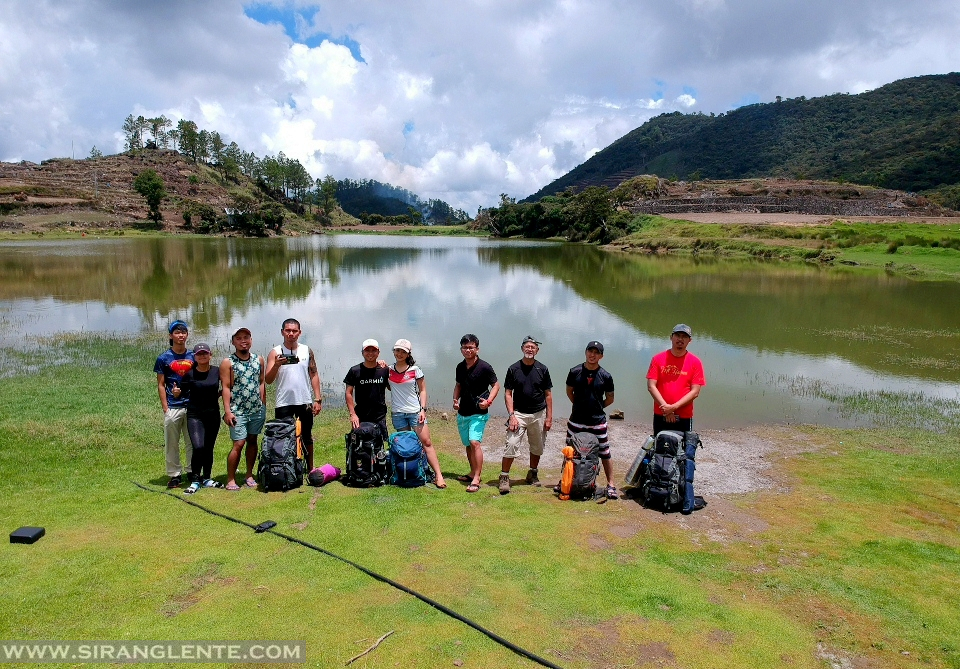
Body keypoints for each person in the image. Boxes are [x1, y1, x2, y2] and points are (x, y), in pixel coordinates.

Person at [646, 323, 706, 514]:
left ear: (690, 340)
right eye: (677, 336)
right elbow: (651, 385)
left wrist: (673, 408)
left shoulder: (695, 362)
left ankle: (679, 492)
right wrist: (666, 408)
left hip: (684, 416)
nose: (680, 340)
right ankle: (657, 487)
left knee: (683, 457)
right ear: (671, 337)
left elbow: (695, 391)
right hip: (661, 414)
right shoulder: (658, 359)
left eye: (684, 337)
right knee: (659, 452)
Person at [498, 336, 553, 494]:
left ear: (537, 350)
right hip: (518, 414)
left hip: (538, 413)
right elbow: (508, 393)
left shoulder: (542, 369)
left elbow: (548, 394)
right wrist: (511, 415)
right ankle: (504, 477)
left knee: (537, 446)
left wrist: (549, 417)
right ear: (522, 348)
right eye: (527, 347)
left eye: (533, 347)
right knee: (511, 444)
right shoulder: (513, 369)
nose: (530, 349)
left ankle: (532, 473)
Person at [265, 318, 322, 471]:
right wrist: (276, 365)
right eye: (288, 330)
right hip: (284, 402)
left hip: (304, 400)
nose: (291, 334)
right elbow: (268, 380)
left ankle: (310, 468)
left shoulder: (306, 350)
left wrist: (318, 398)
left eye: (294, 331)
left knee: (307, 435)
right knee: (283, 436)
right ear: (282, 331)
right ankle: (285, 467)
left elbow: (314, 374)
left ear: (299, 332)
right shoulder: (275, 352)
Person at [388, 339, 446, 489]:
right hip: (398, 414)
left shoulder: (415, 370)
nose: (399, 354)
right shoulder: (388, 370)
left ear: (408, 354)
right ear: (393, 351)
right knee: (406, 446)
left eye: (403, 351)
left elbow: (423, 390)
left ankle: (438, 475)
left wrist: (423, 409)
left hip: (415, 412)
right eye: (397, 351)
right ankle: (409, 473)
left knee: (426, 443)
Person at [564, 340, 618, 499]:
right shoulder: (574, 372)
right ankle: (565, 481)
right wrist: (580, 405)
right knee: (569, 451)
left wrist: (597, 406)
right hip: (576, 419)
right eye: (590, 351)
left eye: (596, 352)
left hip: (597, 420)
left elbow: (610, 398)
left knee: (605, 452)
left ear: (601, 356)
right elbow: (569, 392)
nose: (592, 355)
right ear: (585, 352)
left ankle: (611, 484)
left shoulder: (606, 376)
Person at [453, 334, 500, 493]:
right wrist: (455, 400)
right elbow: (458, 385)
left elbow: (496, 385)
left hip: (479, 411)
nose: (468, 350)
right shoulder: (460, 366)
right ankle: (472, 471)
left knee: (475, 442)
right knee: (468, 445)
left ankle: (477, 478)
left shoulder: (485, 367)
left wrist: (489, 401)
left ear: (477, 349)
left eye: (471, 347)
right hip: (463, 411)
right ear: (461, 349)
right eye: (465, 347)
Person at [175, 342, 224, 494]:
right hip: (195, 415)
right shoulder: (189, 374)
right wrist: (176, 392)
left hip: (213, 414)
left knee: (209, 448)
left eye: (205, 353)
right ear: (195, 357)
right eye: (199, 354)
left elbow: (228, 386)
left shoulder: (217, 371)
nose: (202, 356)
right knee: (199, 447)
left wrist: (223, 394)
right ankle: (195, 480)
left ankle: (207, 478)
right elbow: (181, 392)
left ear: (211, 355)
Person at [221, 327, 266, 491]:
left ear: (251, 339)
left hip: (256, 409)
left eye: (246, 337)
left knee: (253, 441)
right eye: (239, 338)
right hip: (237, 410)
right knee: (238, 444)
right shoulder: (228, 362)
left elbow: (261, 382)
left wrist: (263, 405)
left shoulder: (258, 359)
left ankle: (249, 474)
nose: (243, 341)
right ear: (233, 342)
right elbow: (225, 387)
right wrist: (227, 411)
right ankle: (231, 479)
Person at [154, 320, 195, 488]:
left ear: (187, 335)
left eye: (183, 332)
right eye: (177, 332)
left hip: (192, 406)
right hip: (173, 406)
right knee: (172, 442)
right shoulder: (163, 358)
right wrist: (165, 407)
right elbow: (161, 384)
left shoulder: (194, 356)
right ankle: (175, 474)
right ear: (171, 336)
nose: (181, 335)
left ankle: (193, 471)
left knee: (192, 441)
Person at [344, 338, 390, 440]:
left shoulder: (384, 370)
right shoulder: (355, 371)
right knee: (359, 446)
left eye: (374, 350)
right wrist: (353, 414)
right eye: (367, 350)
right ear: (362, 352)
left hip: (379, 415)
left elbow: (392, 387)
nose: (370, 353)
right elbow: (348, 393)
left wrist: (390, 369)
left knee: (380, 446)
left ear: (378, 352)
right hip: (360, 415)